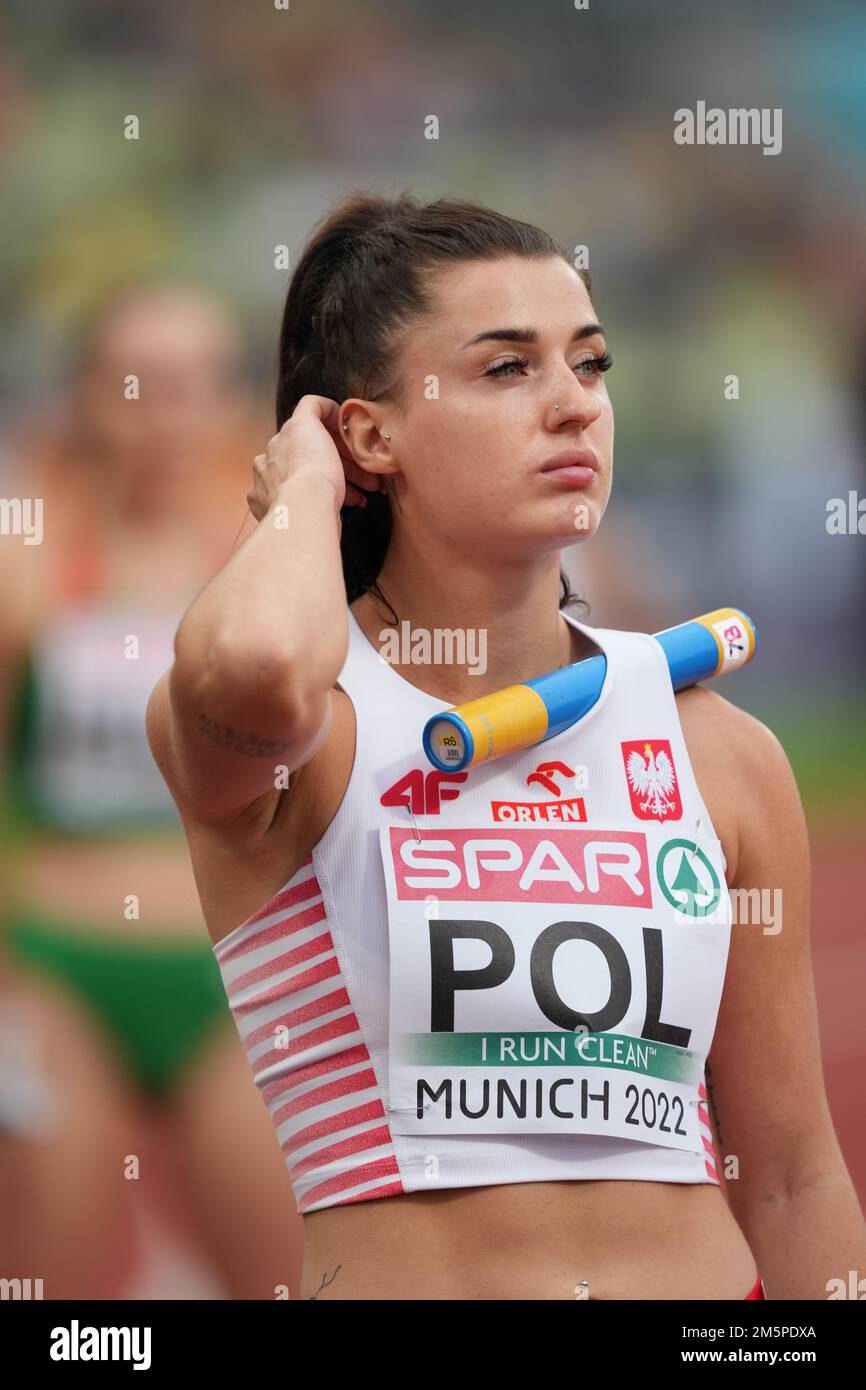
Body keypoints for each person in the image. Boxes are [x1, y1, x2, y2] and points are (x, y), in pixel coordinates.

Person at [146, 191, 866, 1301]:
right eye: (505, 368)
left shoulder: (719, 753)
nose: (575, 406)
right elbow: (249, 665)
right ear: (367, 434)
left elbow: (790, 1178)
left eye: (589, 364)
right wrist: (299, 486)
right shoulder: (312, 735)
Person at [0, 283, 304, 1299]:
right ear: (85, 397)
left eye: (191, 385)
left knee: (283, 1279)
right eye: (136, 386)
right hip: (57, 974)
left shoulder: (278, 563)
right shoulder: (30, 558)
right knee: (53, 1293)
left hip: (233, 980)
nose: (165, 413)